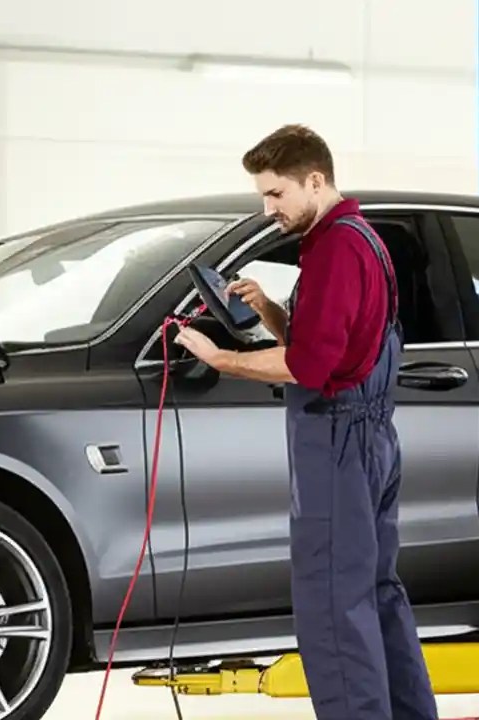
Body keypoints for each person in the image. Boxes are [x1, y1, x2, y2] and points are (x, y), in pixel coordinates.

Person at [173, 124, 440, 720]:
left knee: (332, 606)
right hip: (370, 439)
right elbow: (339, 348)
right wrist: (269, 310)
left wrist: (222, 359)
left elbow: (310, 367)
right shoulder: (360, 240)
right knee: (376, 595)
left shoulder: (335, 249)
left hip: (338, 443)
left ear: (314, 181)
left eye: (275, 195)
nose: (268, 210)